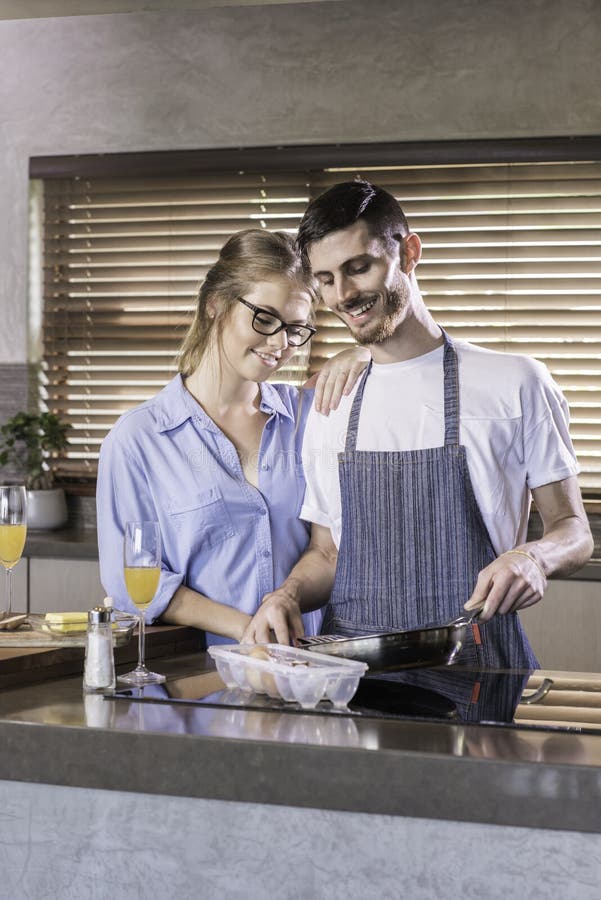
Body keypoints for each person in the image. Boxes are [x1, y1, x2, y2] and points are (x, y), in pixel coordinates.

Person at [242, 181, 594, 669]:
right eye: (325, 279)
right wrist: (287, 595)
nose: (343, 295)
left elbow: (572, 529)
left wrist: (534, 558)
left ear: (408, 253)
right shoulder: (331, 401)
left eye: (358, 268)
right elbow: (327, 553)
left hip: (476, 670)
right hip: (354, 678)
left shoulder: (515, 382)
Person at [96, 229, 369, 645]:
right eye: (264, 318)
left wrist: (366, 354)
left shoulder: (309, 417)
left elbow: (329, 549)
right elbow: (132, 580)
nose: (280, 343)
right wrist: (249, 630)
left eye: (296, 329)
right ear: (216, 305)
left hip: (304, 676)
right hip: (195, 682)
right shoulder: (138, 439)